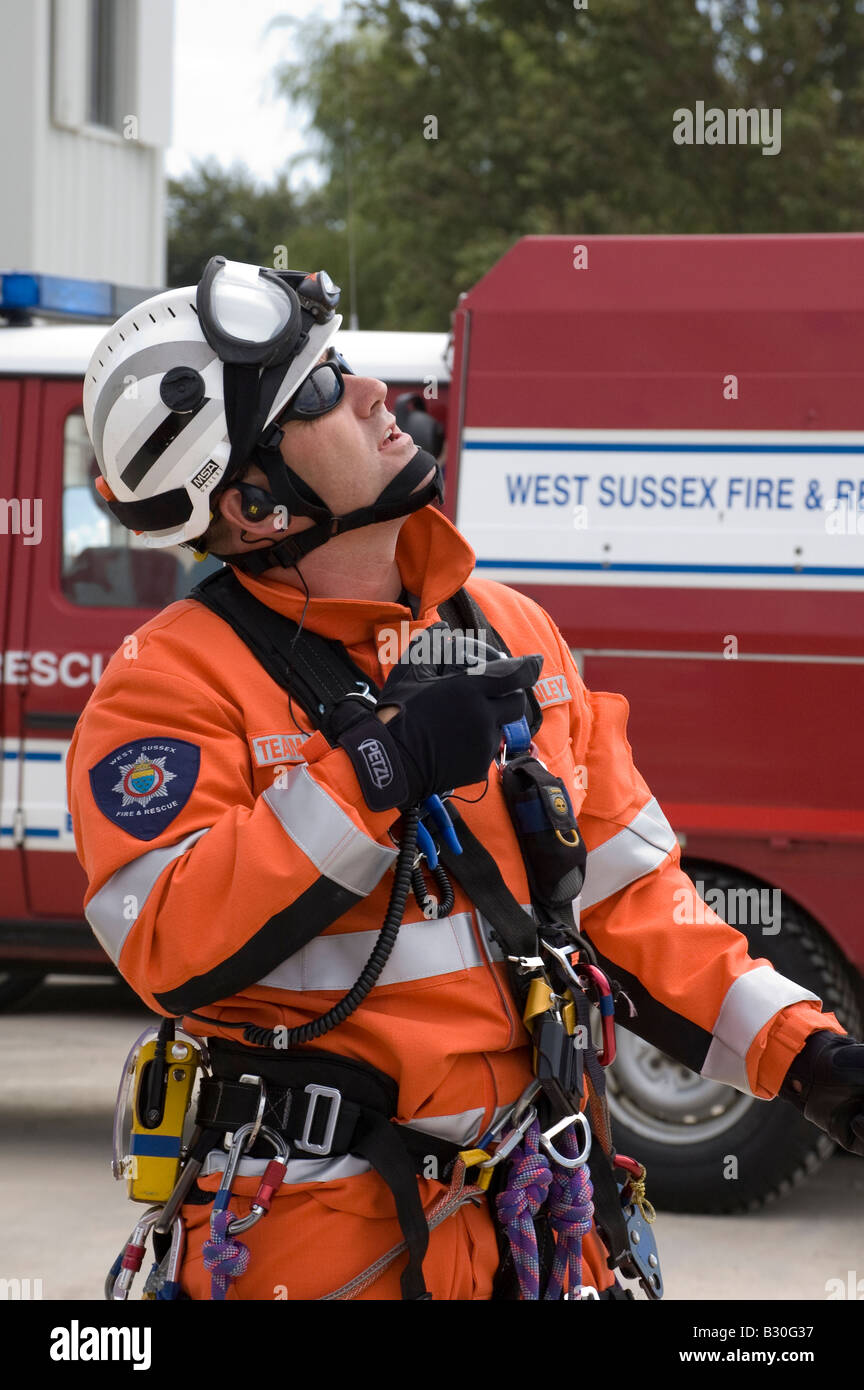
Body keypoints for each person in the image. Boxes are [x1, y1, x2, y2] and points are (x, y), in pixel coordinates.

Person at [68, 256, 864, 1302]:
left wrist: (812, 1061)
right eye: (317, 390)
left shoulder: (510, 628)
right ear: (256, 503)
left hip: (548, 1226)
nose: (370, 393)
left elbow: (632, 901)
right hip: (315, 1253)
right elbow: (167, 942)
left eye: (341, 365)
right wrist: (377, 772)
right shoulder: (165, 687)